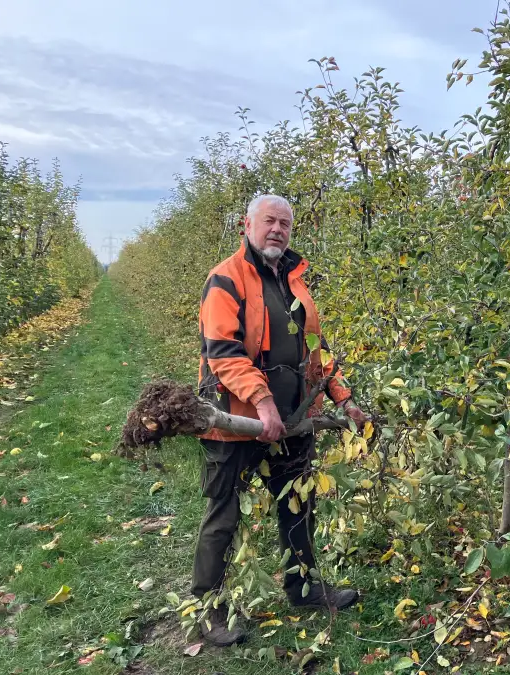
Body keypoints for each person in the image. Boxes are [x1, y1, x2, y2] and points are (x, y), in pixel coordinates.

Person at [193, 194, 369, 646]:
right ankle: (208, 610)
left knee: (298, 506)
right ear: (245, 225)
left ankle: (304, 588)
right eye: (269, 221)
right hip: (237, 422)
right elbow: (223, 354)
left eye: (285, 224)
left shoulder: (295, 282)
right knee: (224, 514)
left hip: (293, 421)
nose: (277, 229)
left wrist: (344, 399)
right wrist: (262, 404)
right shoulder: (225, 279)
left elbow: (318, 350)